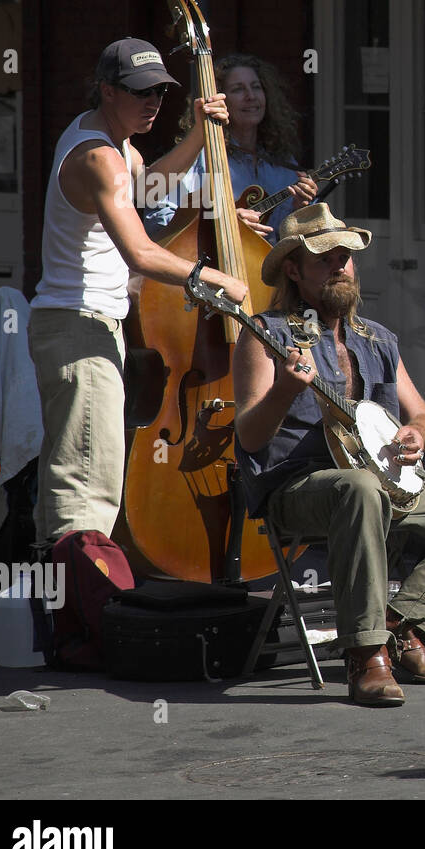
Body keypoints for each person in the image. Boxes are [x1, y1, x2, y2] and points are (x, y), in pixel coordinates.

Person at [232, 205, 425, 706]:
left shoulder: (378, 339)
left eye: (346, 255)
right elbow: (249, 436)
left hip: (386, 480)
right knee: (359, 489)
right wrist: (285, 390)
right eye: (325, 256)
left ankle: (408, 625)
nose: (341, 265)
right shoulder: (266, 334)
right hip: (300, 486)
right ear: (292, 268)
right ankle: (366, 656)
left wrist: (416, 433)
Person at [28, 37, 248, 548]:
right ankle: (77, 609)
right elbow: (142, 254)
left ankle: (57, 604)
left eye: (160, 93)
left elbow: (148, 191)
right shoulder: (97, 156)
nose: (152, 103)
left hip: (86, 325)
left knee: (76, 470)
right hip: (77, 328)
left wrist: (198, 135)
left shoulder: (116, 143)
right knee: (87, 481)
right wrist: (215, 277)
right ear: (107, 90)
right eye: (140, 92)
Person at [142, 53, 317, 241]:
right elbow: (157, 220)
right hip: (212, 266)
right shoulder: (200, 157)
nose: (250, 96)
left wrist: (300, 210)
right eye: (238, 89)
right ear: (219, 101)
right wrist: (221, 225)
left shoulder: (282, 162)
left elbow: (286, 238)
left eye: (256, 87)